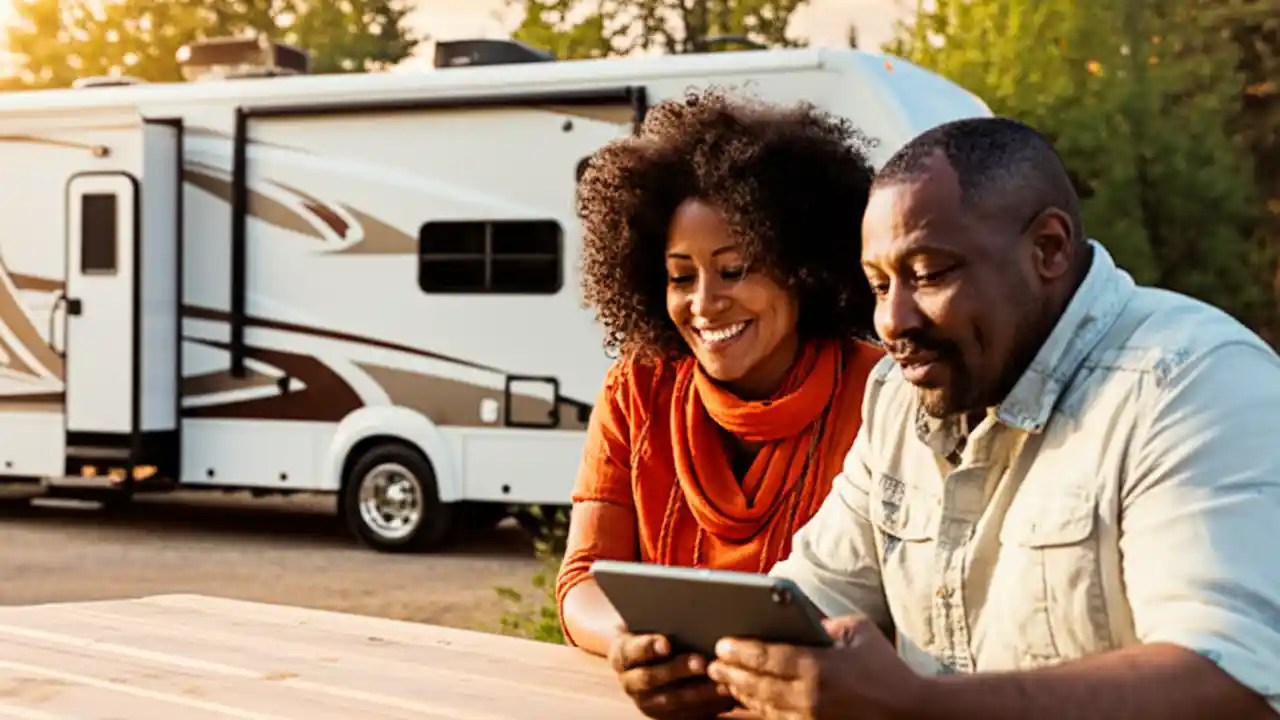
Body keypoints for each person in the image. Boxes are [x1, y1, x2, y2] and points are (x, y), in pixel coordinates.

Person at [699, 116, 1280, 719]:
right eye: (878, 286)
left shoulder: (1194, 382)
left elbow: (1233, 683)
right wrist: (704, 664)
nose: (892, 322)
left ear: (1048, 249)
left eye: (928, 275)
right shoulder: (899, 394)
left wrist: (918, 706)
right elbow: (806, 604)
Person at [556, 87, 886, 717]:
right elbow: (582, 578)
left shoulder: (881, 395)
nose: (704, 304)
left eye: (734, 270)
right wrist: (632, 645)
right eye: (681, 276)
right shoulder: (637, 388)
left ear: (802, 268)